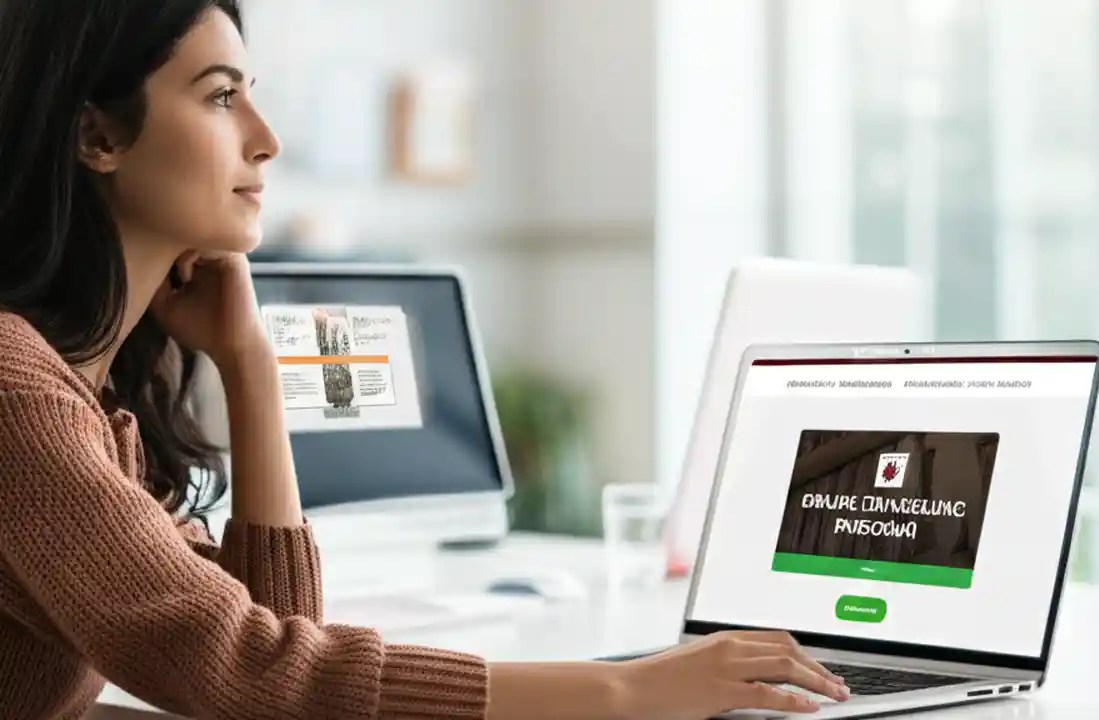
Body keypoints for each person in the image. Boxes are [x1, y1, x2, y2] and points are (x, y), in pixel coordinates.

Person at [0, 1, 851, 718]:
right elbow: (249, 671)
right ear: (96, 135)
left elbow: (272, 636)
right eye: (222, 98)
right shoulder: (16, 388)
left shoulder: (93, 392)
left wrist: (251, 365)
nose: (267, 141)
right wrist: (626, 690)